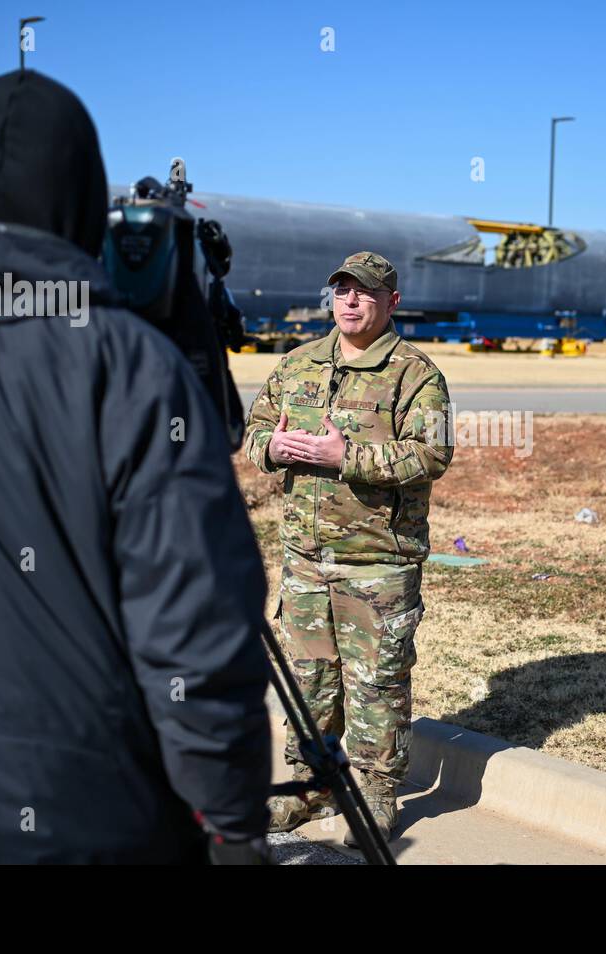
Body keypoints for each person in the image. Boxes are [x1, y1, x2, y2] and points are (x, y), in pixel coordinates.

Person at [0, 70, 272, 863]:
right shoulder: (130, 367)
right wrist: (233, 823)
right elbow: (197, 633)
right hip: (84, 827)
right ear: (79, 200)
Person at [245, 251, 452, 845]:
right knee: (311, 678)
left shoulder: (416, 374)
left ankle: (377, 793)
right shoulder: (299, 363)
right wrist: (273, 448)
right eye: (341, 290)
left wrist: (347, 458)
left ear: (392, 302)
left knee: (376, 683)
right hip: (306, 557)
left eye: (364, 292)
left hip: (377, 560)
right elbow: (256, 430)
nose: (350, 301)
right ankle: (309, 788)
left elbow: (431, 456)